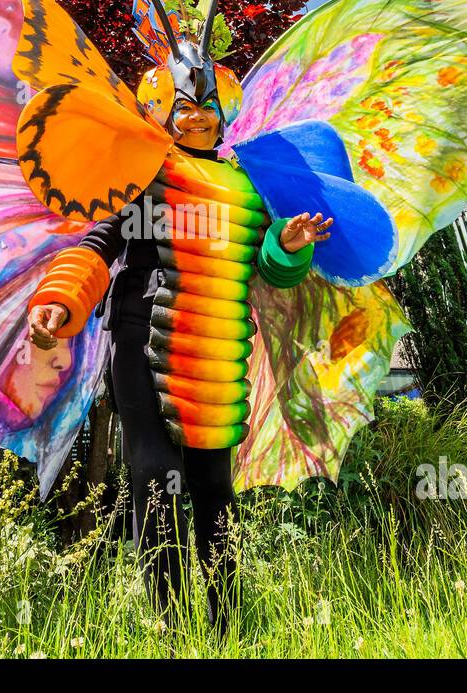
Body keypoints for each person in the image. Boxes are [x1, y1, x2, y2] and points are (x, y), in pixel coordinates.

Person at [26, 93, 332, 634]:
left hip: (214, 343)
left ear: (223, 112)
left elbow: (270, 273)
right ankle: (171, 628)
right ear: (165, 111)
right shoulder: (147, 171)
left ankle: (228, 627)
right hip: (142, 331)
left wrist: (287, 245)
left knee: (213, 485)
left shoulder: (249, 185)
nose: (196, 116)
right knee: (155, 476)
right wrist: (60, 298)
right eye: (184, 105)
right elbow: (102, 241)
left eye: (207, 105)